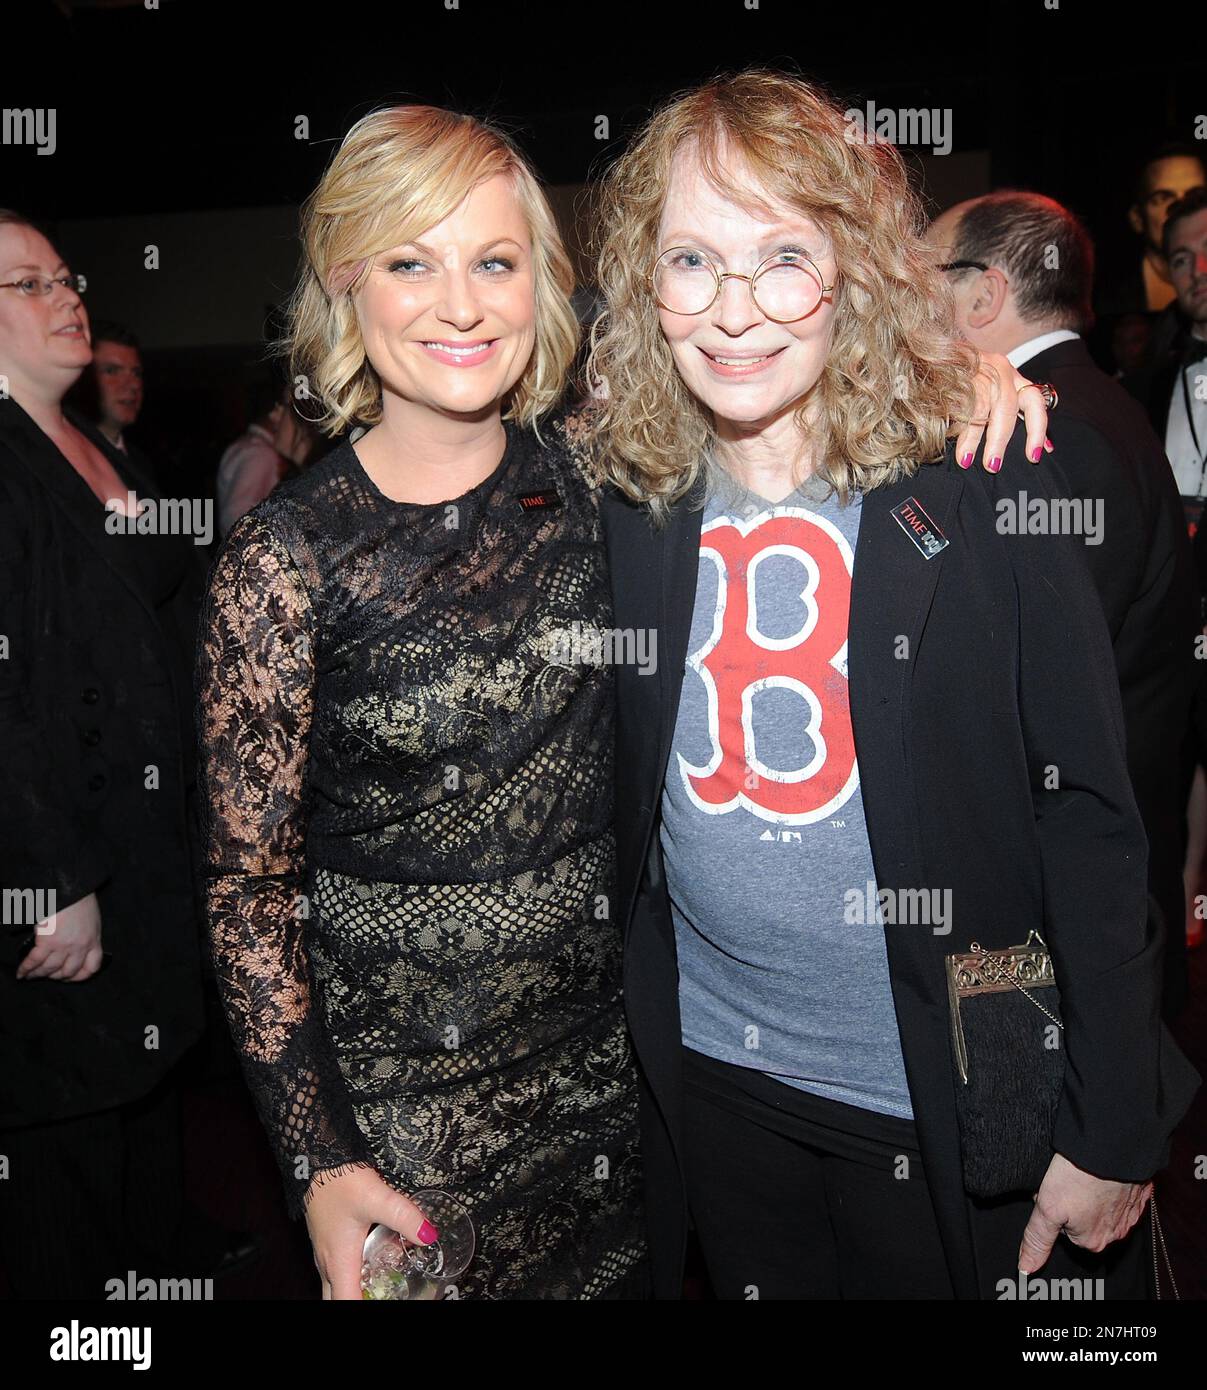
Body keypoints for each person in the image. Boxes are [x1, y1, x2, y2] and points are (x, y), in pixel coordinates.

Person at [578, 69, 1199, 1300]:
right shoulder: (630, 497)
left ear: (854, 269)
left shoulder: (984, 477)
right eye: (692, 260)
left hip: (946, 1091)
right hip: (720, 1086)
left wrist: (1116, 1118)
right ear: (646, 284)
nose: (736, 310)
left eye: (784, 257)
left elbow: (1086, 814)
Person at [194, 105, 649, 1300]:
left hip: (619, 1102)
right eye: (411, 261)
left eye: (494, 260)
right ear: (347, 282)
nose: (461, 303)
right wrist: (317, 1158)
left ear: (539, 283)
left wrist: (955, 376)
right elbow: (249, 887)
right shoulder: (283, 563)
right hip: (403, 1129)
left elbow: (801, 414)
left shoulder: (610, 488)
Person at [0, 210, 207, 1297]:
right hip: (63, 855)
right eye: (29, 285)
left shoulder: (82, 439)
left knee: (132, 1104)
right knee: (61, 1155)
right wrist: (50, 877)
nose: (66, 297)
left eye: (64, 277)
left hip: (140, 838)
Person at [927, 189, 1198, 1017]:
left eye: (921, 275)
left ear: (982, 293)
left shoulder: (1053, 428)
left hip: (1074, 907)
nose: (902, 300)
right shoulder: (1080, 401)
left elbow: (1027, 690)